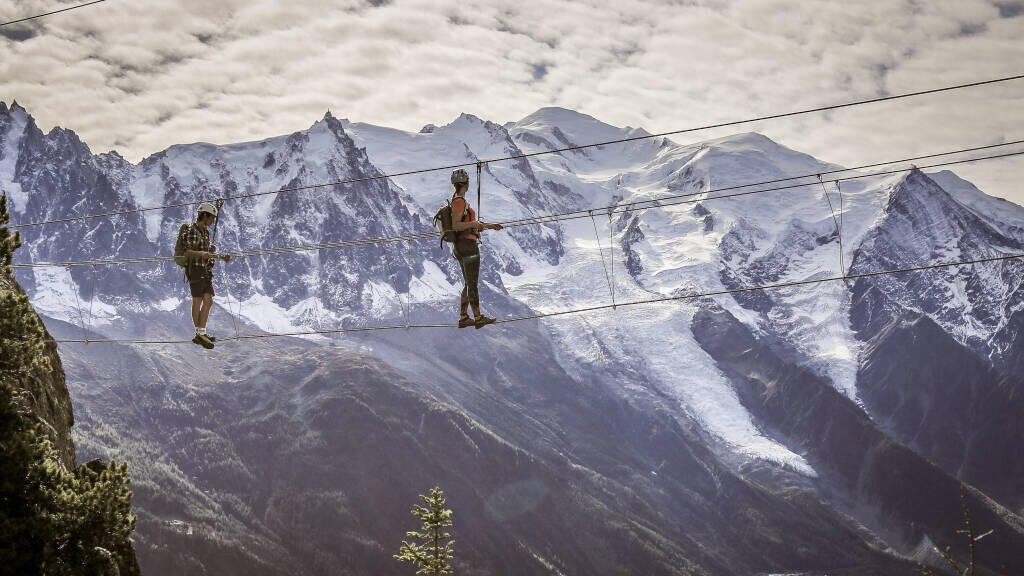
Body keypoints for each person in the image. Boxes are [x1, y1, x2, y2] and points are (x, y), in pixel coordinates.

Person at [448, 169, 503, 329]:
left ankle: (464, 317)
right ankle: (478, 317)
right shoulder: (459, 202)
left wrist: (490, 226)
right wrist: (474, 224)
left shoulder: (458, 201)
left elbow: (467, 224)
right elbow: (456, 225)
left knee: (468, 283)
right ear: (466, 184)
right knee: (472, 284)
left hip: (460, 247)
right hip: (468, 246)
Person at [180, 202, 231, 348]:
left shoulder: (206, 233)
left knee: (208, 300)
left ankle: (201, 333)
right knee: (198, 301)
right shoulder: (192, 231)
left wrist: (220, 256)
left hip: (204, 270)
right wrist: (203, 253)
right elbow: (186, 252)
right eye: (212, 218)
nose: (213, 221)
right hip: (195, 270)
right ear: (205, 216)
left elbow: (207, 254)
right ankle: (200, 333)